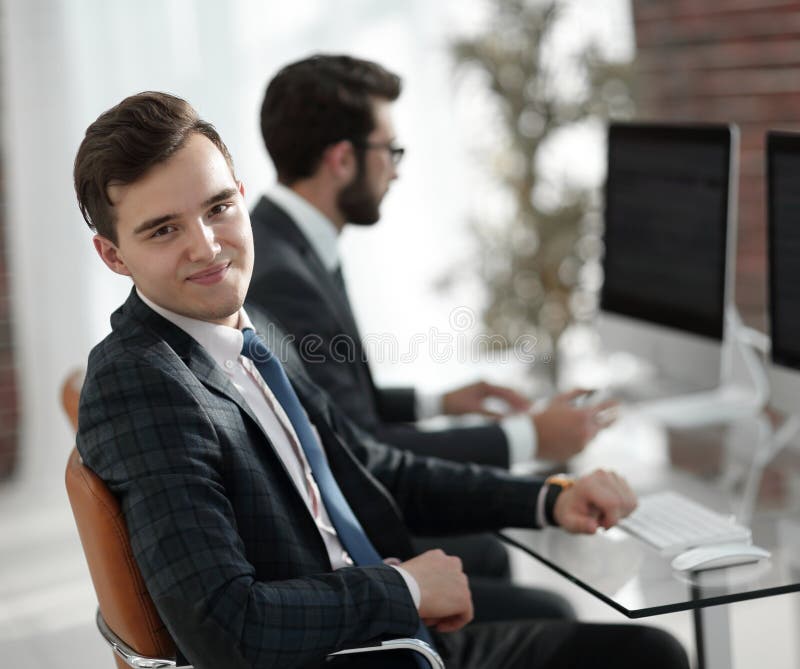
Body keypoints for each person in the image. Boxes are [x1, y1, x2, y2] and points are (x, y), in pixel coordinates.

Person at [74, 91, 688, 669]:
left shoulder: (245, 324)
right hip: (354, 652)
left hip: (375, 625)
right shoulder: (142, 383)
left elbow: (371, 465)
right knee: (651, 654)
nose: (207, 248)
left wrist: (547, 498)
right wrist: (405, 588)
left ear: (240, 193)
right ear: (113, 255)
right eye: (163, 229)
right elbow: (224, 627)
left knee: (607, 636)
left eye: (217, 209)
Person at [246, 54, 614, 609]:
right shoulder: (283, 276)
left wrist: (438, 400)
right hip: (342, 547)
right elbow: (362, 449)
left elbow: (334, 408)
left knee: (491, 552)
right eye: (390, 150)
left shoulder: (286, 243)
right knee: (552, 602)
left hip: (347, 498)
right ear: (342, 159)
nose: (395, 169)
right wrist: (533, 437)